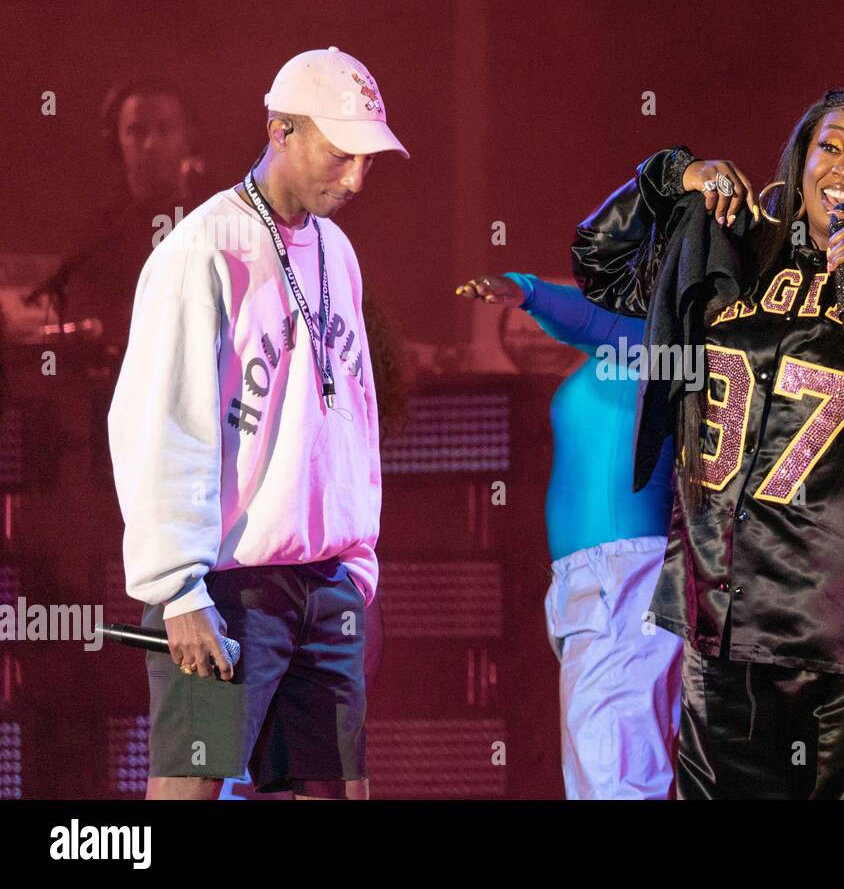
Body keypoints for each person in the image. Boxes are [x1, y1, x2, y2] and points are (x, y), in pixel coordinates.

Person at [572, 61, 844, 799]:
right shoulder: (736, 246)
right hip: (726, 621)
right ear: (800, 157)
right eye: (832, 148)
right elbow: (598, 265)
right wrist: (669, 178)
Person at [107, 47, 408, 800]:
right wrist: (177, 590)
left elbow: (353, 410)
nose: (356, 179)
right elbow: (157, 420)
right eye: (340, 156)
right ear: (280, 130)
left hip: (325, 582)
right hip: (226, 587)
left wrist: (356, 563)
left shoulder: (339, 251)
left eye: (367, 159)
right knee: (189, 792)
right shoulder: (201, 251)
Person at [454, 271, 681, 798]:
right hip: (597, 582)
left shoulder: (659, 341)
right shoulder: (620, 350)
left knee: (615, 778)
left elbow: (585, 318)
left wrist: (526, 290)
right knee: (601, 773)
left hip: (622, 578)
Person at [32, 78, 207, 349]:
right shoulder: (99, 234)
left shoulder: (216, 223)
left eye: (165, 129)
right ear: (115, 142)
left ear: (188, 138)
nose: (151, 144)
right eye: (137, 131)